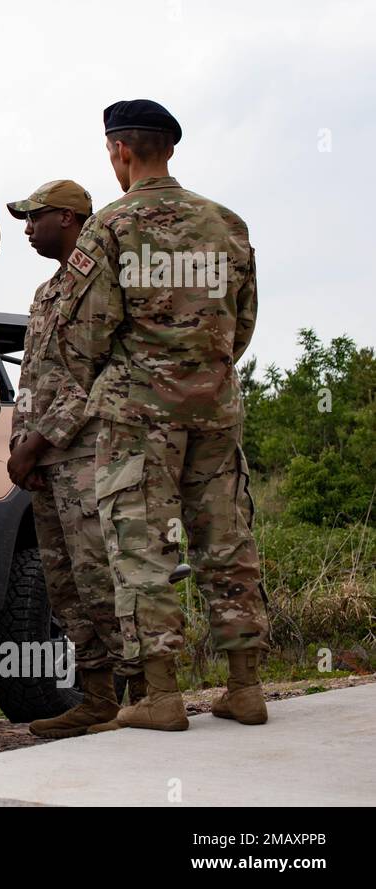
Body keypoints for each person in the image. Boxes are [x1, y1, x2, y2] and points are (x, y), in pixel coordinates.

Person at [52, 101, 269, 732]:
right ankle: (246, 688)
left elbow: (84, 335)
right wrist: (201, 369)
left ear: (119, 151)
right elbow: (244, 322)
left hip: (138, 417)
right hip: (216, 408)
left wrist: (121, 379)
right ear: (167, 149)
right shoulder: (226, 222)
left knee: (141, 548)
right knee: (227, 543)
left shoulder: (111, 227)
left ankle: (162, 696)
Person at [5, 180, 145, 737]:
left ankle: (144, 692)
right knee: (64, 586)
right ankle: (97, 697)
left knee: (104, 578)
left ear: (67, 218)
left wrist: (36, 443)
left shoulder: (98, 283)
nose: (26, 229)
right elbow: (35, 380)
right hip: (48, 463)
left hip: (90, 456)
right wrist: (23, 445)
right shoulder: (46, 292)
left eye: (34, 218)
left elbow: (88, 379)